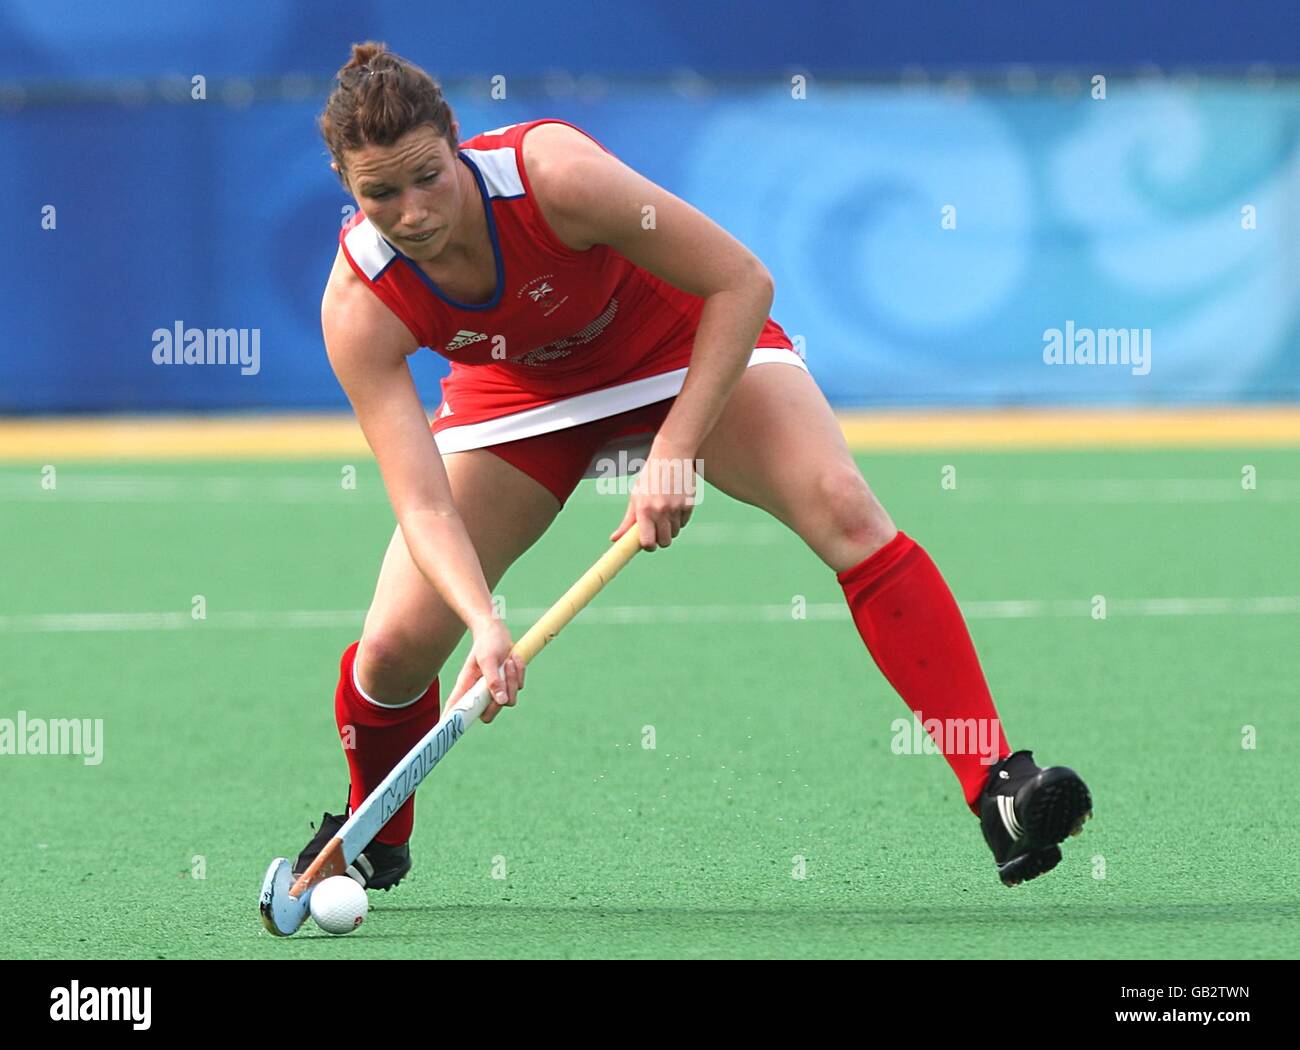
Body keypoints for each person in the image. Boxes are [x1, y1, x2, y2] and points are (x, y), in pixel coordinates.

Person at [288, 42, 1092, 892]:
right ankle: (374, 827)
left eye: (427, 178)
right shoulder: (359, 306)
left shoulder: (554, 176)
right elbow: (422, 507)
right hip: (518, 399)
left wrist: (673, 448)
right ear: (346, 186)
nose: (413, 213)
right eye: (380, 194)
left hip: (675, 344)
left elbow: (741, 281)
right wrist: (484, 623)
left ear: (455, 138)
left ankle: (997, 783)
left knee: (844, 507)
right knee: (393, 652)